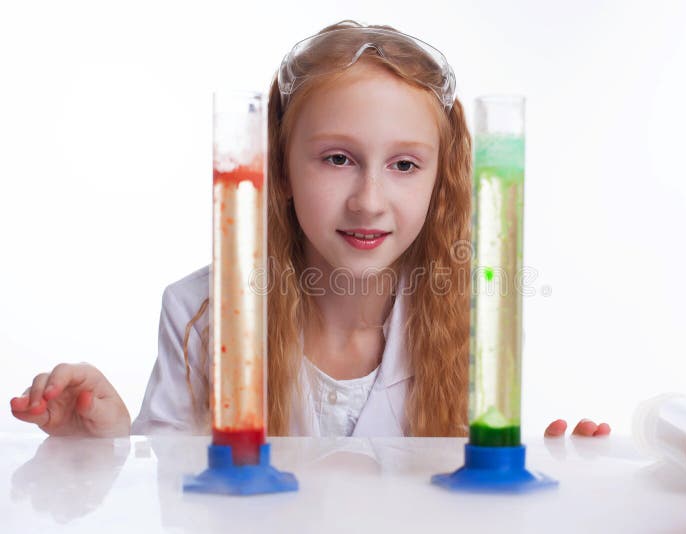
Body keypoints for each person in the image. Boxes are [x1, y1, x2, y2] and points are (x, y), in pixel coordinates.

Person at [9, 21, 610, 440]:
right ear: (281, 169)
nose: (369, 201)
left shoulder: (474, 320)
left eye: (404, 165)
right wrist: (112, 443)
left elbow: (472, 493)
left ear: (440, 181)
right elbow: (169, 489)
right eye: (337, 159)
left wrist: (573, 474)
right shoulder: (200, 312)